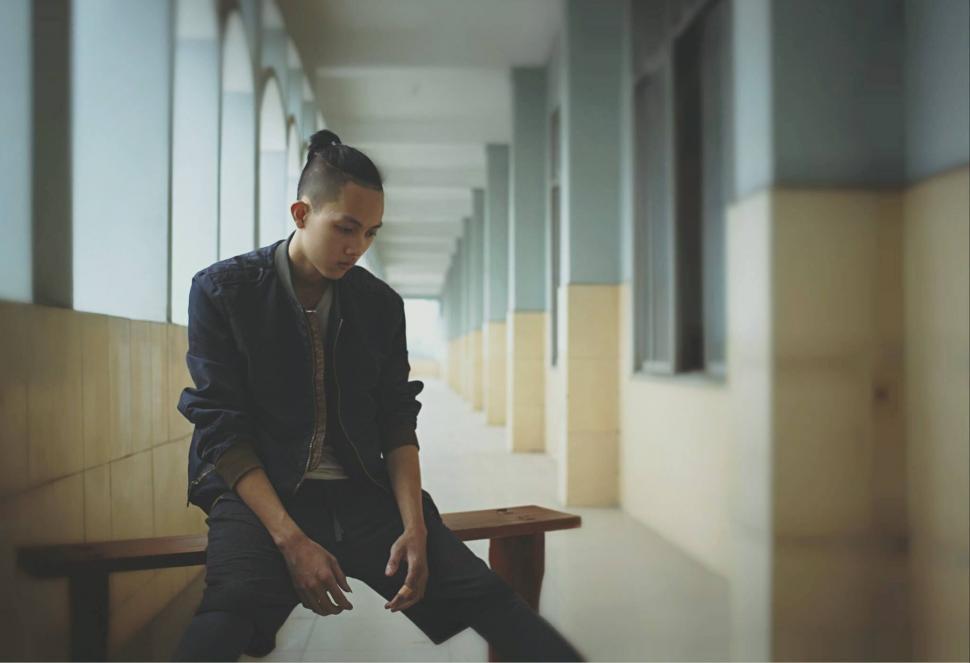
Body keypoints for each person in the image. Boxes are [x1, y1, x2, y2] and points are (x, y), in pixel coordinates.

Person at [170, 129, 584, 662]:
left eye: (370, 233)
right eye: (345, 228)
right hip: (264, 498)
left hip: (366, 495)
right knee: (227, 616)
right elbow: (220, 427)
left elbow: (396, 419)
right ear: (301, 213)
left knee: (491, 600)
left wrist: (415, 528)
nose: (357, 247)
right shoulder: (224, 291)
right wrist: (292, 542)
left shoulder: (379, 305)